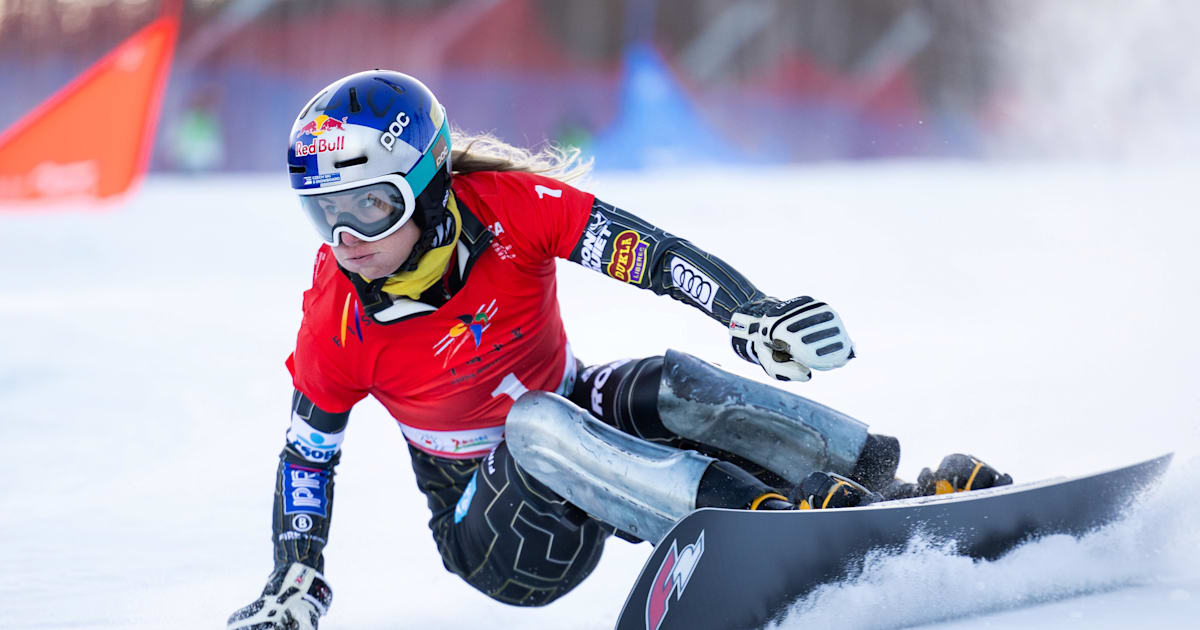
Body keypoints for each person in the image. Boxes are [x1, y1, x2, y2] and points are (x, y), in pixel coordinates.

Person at [226, 70, 1012, 629]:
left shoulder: (511, 209)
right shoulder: (335, 318)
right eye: (323, 211)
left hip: (580, 432)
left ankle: (876, 481)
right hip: (496, 537)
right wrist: (297, 576)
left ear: (431, 186)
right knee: (534, 421)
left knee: (675, 388)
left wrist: (750, 313)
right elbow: (307, 457)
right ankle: (761, 522)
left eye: (370, 205)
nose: (347, 238)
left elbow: (651, 253)